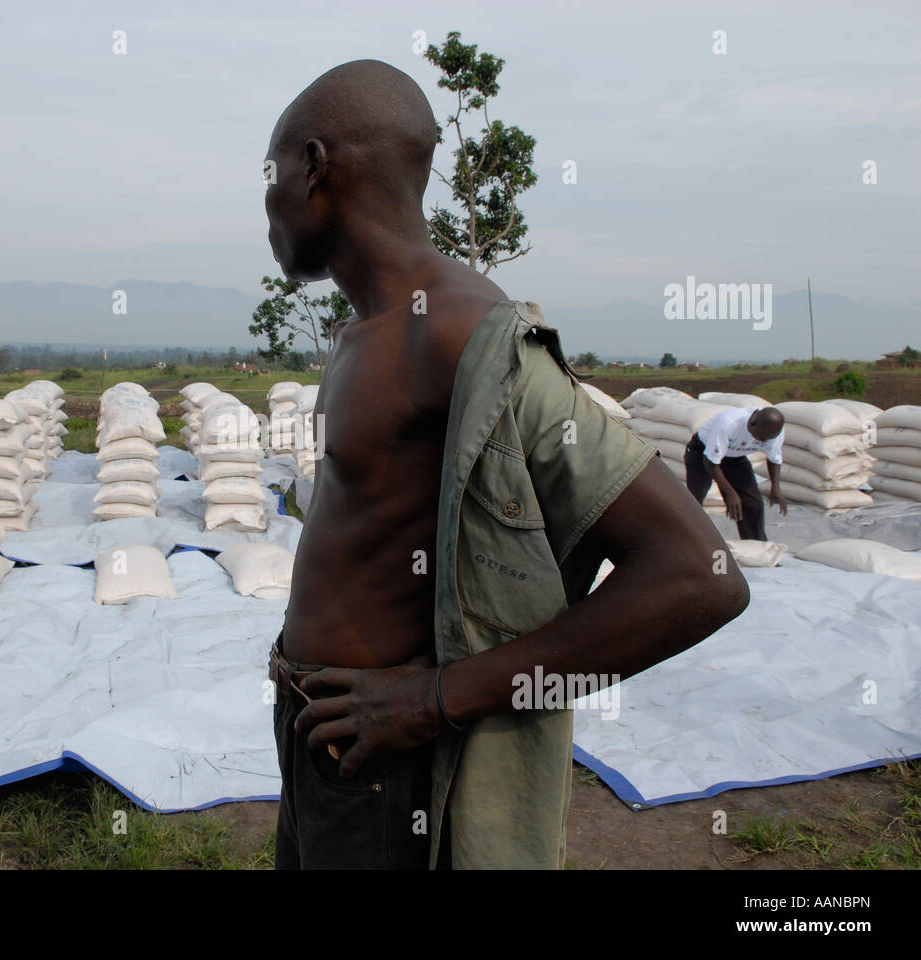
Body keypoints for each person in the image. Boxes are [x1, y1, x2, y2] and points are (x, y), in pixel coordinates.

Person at [263, 60, 751, 870]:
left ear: (315, 166)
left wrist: (439, 699)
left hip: (390, 771)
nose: (267, 207)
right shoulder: (368, 332)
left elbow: (698, 576)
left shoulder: (459, 333)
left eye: (270, 176)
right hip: (327, 741)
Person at [684, 406, 787, 541]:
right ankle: (687, 541)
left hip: (735, 458)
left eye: (766, 439)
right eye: (761, 437)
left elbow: (774, 459)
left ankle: (756, 548)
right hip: (702, 453)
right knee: (695, 500)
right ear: (753, 423)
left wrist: (776, 487)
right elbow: (710, 462)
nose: (762, 441)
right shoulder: (730, 423)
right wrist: (731, 493)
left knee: (753, 504)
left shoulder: (773, 432)